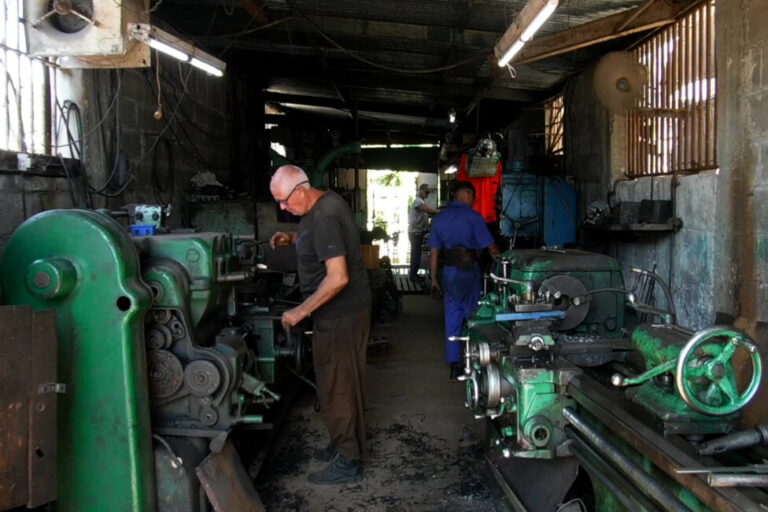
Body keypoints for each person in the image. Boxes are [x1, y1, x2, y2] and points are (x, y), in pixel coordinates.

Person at [269, 165, 372, 485]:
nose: (282, 207)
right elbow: (320, 237)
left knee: (336, 386)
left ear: (301, 190)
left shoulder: (325, 216)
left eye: (285, 201)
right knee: (343, 382)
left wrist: (300, 311)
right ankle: (344, 443)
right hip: (348, 311)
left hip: (340, 314)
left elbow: (338, 277)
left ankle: (349, 459)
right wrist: (292, 238)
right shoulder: (324, 203)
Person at [428, 181, 501, 380]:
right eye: (474, 197)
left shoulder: (439, 218)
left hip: (449, 273)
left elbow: (434, 253)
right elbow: (492, 249)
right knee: (473, 316)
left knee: (452, 316)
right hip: (469, 272)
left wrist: (434, 280)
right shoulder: (474, 218)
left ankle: (455, 366)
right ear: (468, 195)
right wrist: (505, 264)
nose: (474, 201)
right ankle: (475, 362)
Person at [408, 183, 438, 282]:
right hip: (415, 233)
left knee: (416, 253)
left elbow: (427, 214)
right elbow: (428, 210)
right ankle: (413, 276)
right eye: (426, 192)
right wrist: (440, 212)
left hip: (418, 232)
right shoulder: (418, 201)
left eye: (428, 192)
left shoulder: (421, 202)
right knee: (416, 254)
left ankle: (414, 275)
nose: (427, 194)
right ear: (420, 192)